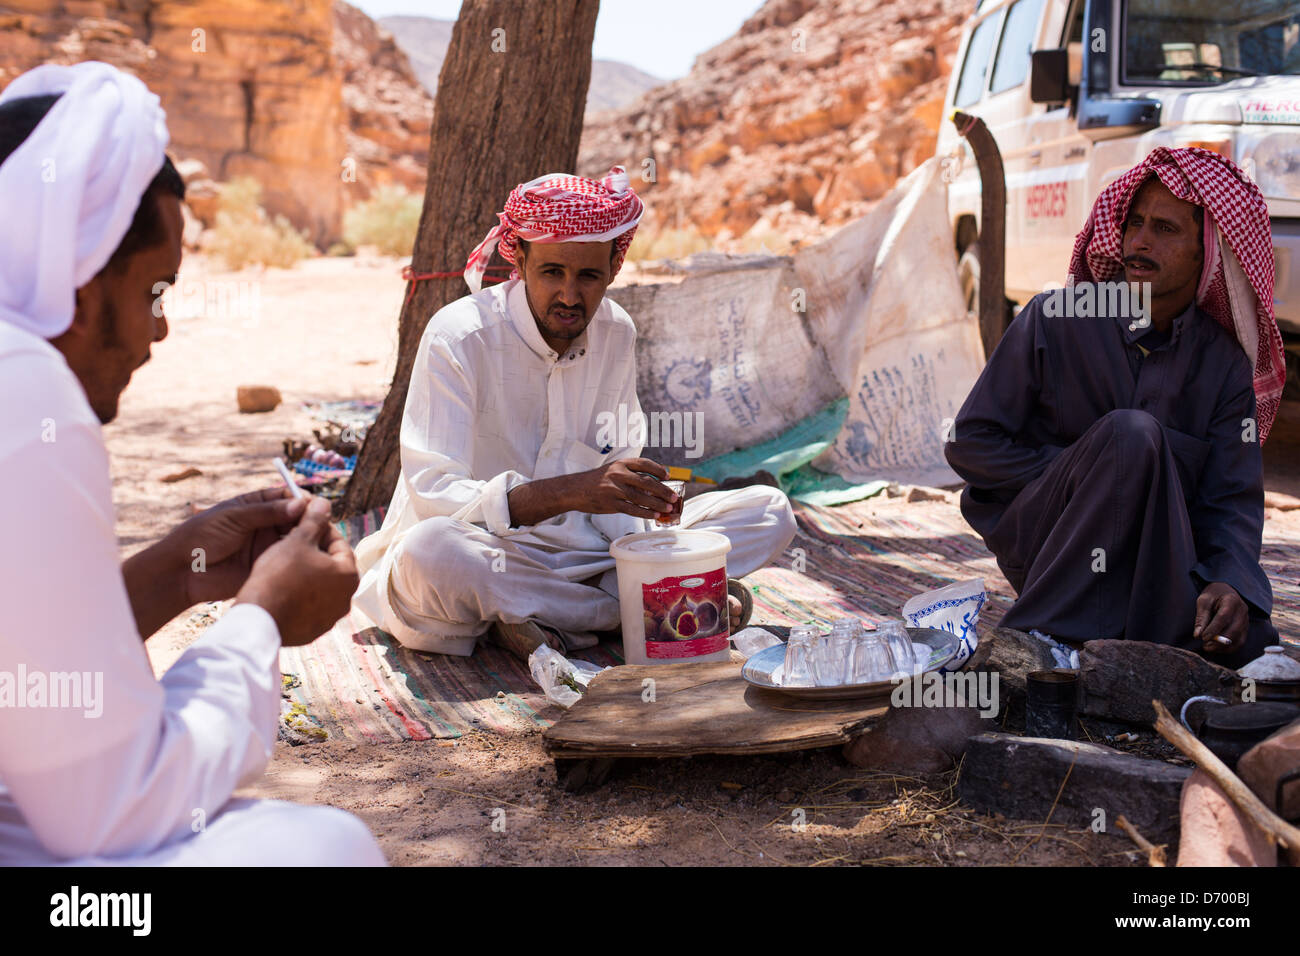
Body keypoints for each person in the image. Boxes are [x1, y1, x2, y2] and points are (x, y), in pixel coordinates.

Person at [0, 62, 384, 865]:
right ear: (80, 270)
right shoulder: (25, 389)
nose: (160, 333)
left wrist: (178, 571)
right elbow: (111, 809)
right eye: (154, 292)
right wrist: (262, 620)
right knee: (319, 851)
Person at [353, 167, 797, 659]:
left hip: (592, 556)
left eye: (588, 276)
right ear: (519, 260)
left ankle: (552, 615)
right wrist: (574, 491)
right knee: (430, 552)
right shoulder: (459, 336)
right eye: (552, 273)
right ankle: (637, 611)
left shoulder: (616, 332)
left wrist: (644, 509)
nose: (569, 296)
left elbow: (617, 470)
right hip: (489, 550)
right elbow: (436, 494)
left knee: (768, 512)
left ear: (613, 268)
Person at [944, 146, 1287, 668]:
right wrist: (1092, 473)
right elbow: (971, 443)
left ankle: (1120, 644)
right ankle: (1042, 640)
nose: (1140, 241)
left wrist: (1229, 581)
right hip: (1051, 541)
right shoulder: (1054, 319)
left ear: (1208, 253)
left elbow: (1231, 500)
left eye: (1166, 230)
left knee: (1252, 641)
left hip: (1158, 561)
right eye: (1136, 224)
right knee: (1129, 437)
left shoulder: (1222, 367)